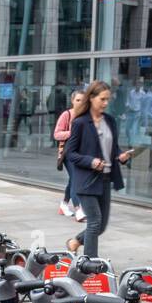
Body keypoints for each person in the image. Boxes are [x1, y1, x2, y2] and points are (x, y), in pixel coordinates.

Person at [63, 80, 131, 258]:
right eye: (102, 99)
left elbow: (112, 147)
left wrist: (121, 155)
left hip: (105, 179)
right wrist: (91, 161)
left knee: (100, 226)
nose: (106, 103)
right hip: (86, 180)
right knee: (94, 222)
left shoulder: (109, 120)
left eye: (108, 99)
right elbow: (70, 153)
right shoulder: (80, 123)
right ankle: (90, 265)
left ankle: (75, 242)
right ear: (91, 98)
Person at [54, 89, 86, 221]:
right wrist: (72, 133)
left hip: (81, 153)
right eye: (78, 100)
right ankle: (78, 209)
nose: (80, 103)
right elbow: (57, 134)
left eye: (83, 100)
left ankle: (64, 204)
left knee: (73, 180)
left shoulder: (86, 116)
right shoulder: (66, 115)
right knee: (76, 179)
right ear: (72, 101)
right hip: (68, 153)